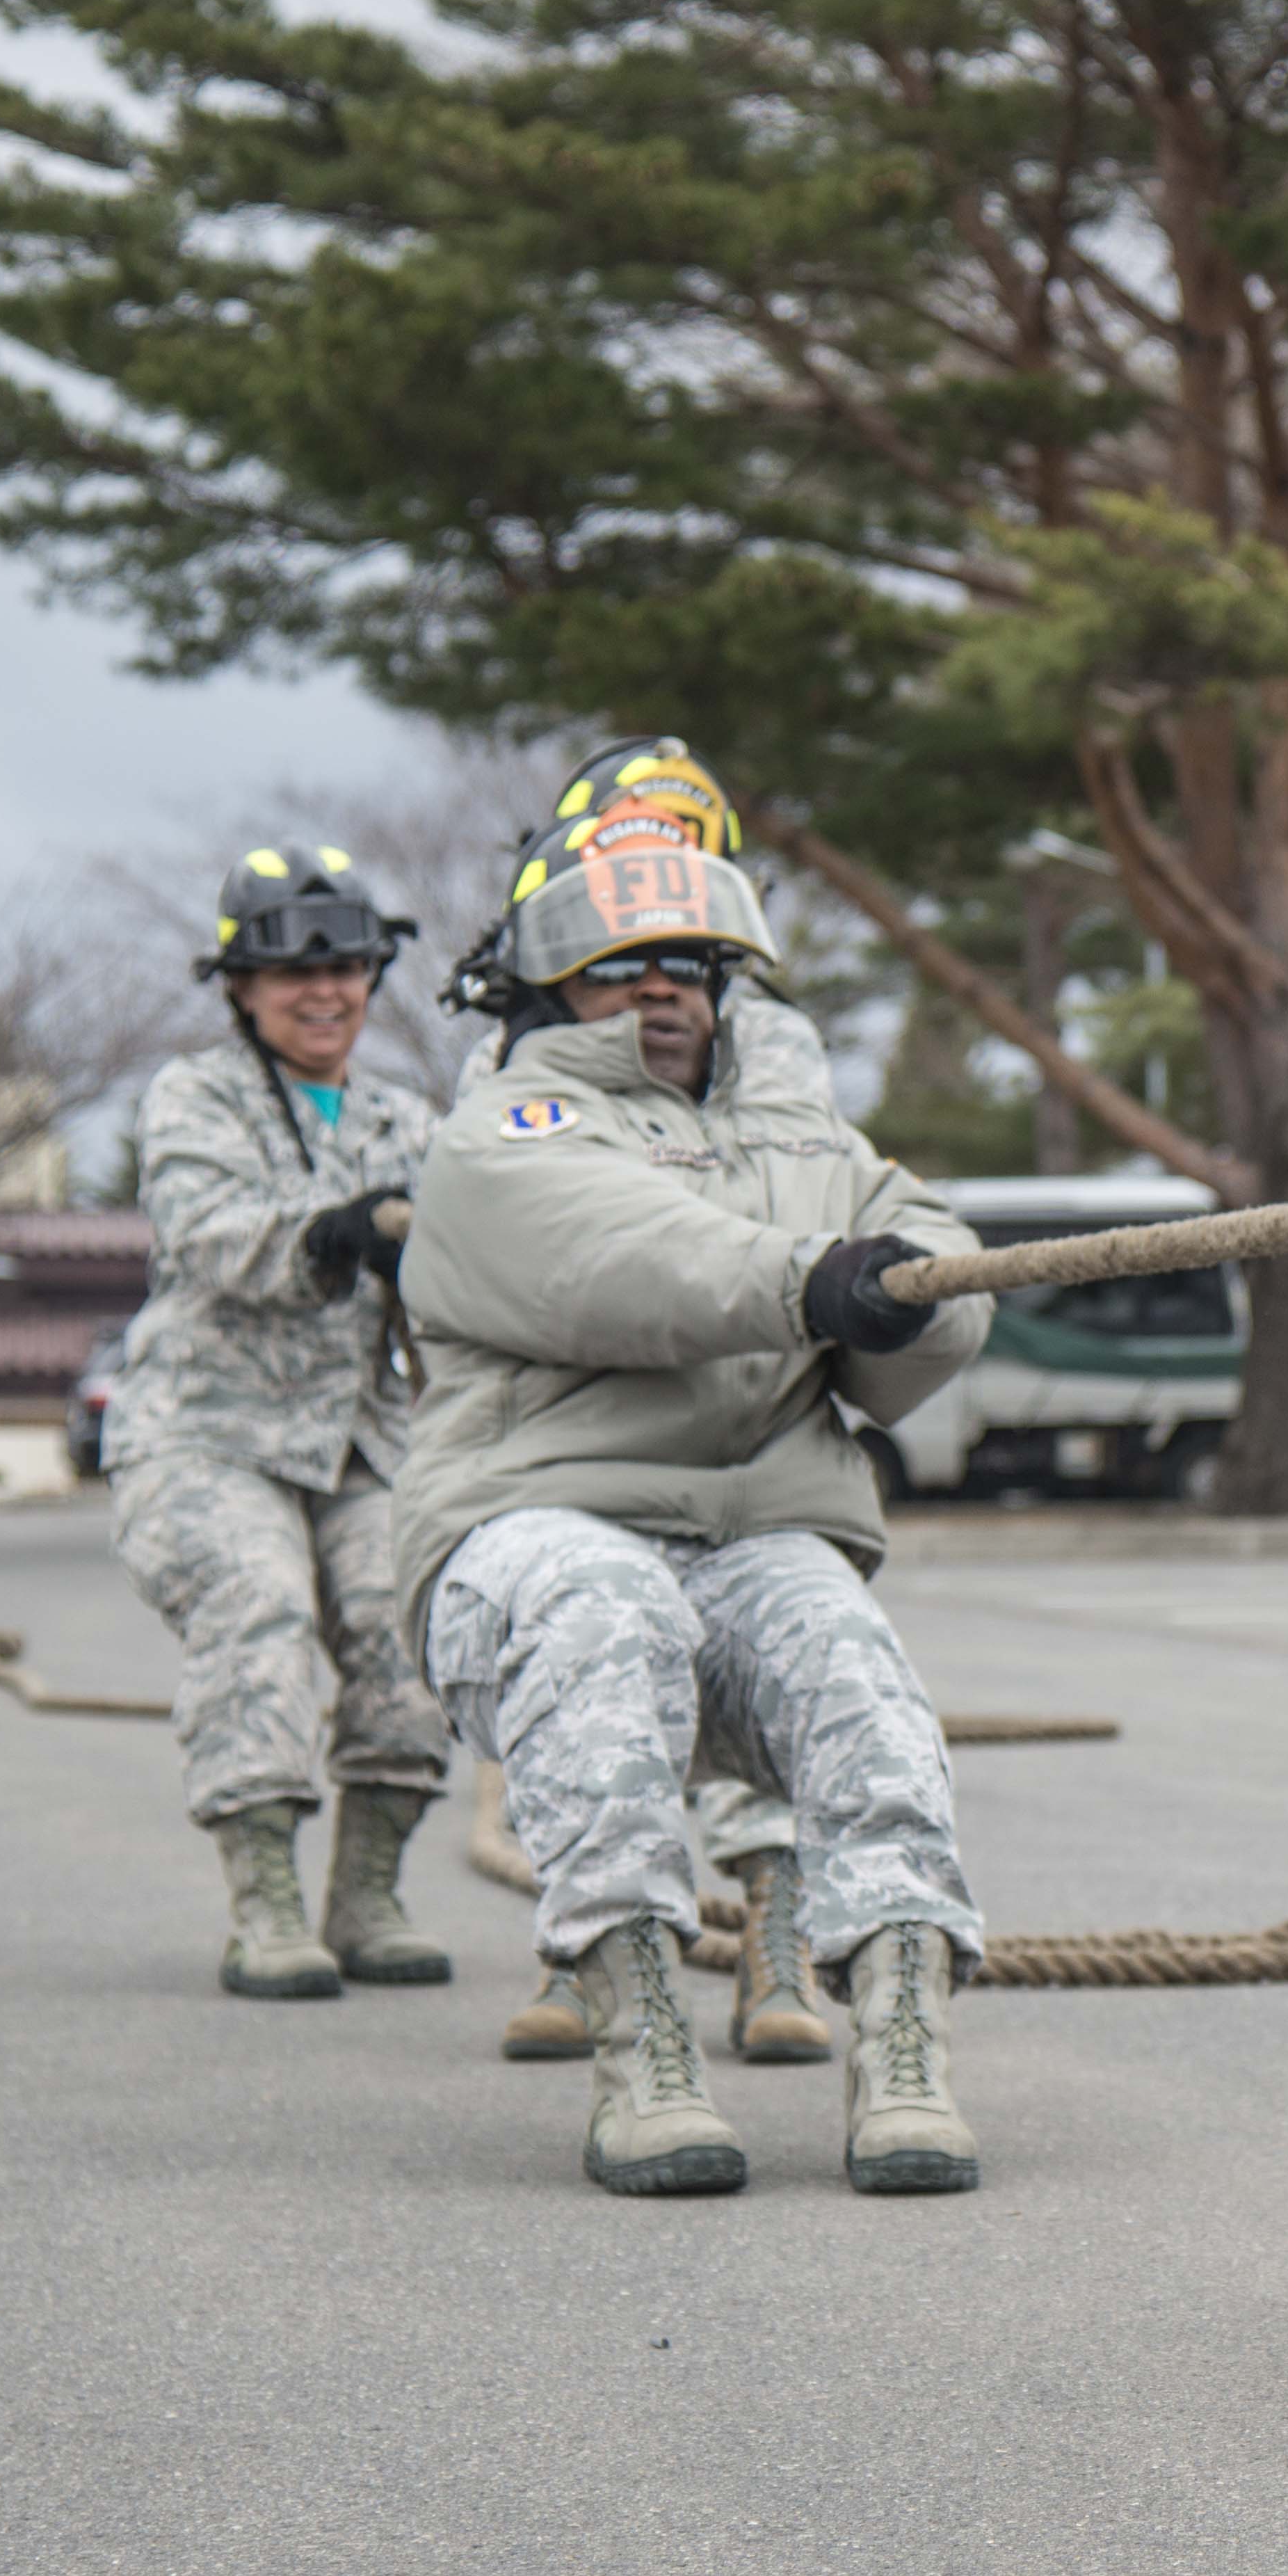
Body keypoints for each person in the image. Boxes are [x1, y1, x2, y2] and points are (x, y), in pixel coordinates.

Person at [392, 806, 994, 2197]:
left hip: (752, 1532)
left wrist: (908, 1307)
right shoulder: (503, 1132)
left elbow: (937, 1252)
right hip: (536, 1523)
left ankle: (904, 2044)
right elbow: (620, 1257)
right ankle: (640, 2044)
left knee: (858, 1669)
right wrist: (811, 1279)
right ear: (550, 992)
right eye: (619, 963)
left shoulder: (795, 1134)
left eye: (686, 959)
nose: (660, 984)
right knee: (600, 1613)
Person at [458, 745, 839, 2078]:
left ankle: (777, 1940)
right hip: (574, 1419)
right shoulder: (520, 1038)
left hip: (733, 1396)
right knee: (584, 1668)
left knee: (762, 1661)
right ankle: (589, 1951)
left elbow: (781, 1196)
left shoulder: (765, 1034)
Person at [106, 845, 453, 1997]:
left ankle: (366, 1897)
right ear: (241, 989)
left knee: (412, 1615)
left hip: (363, 1438)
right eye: (294, 974)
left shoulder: (412, 1123)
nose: (326, 993)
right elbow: (209, 1229)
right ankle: (264, 1903)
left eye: (349, 969)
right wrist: (335, 1233)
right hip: (207, 1436)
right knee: (258, 1606)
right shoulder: (192, 1099)